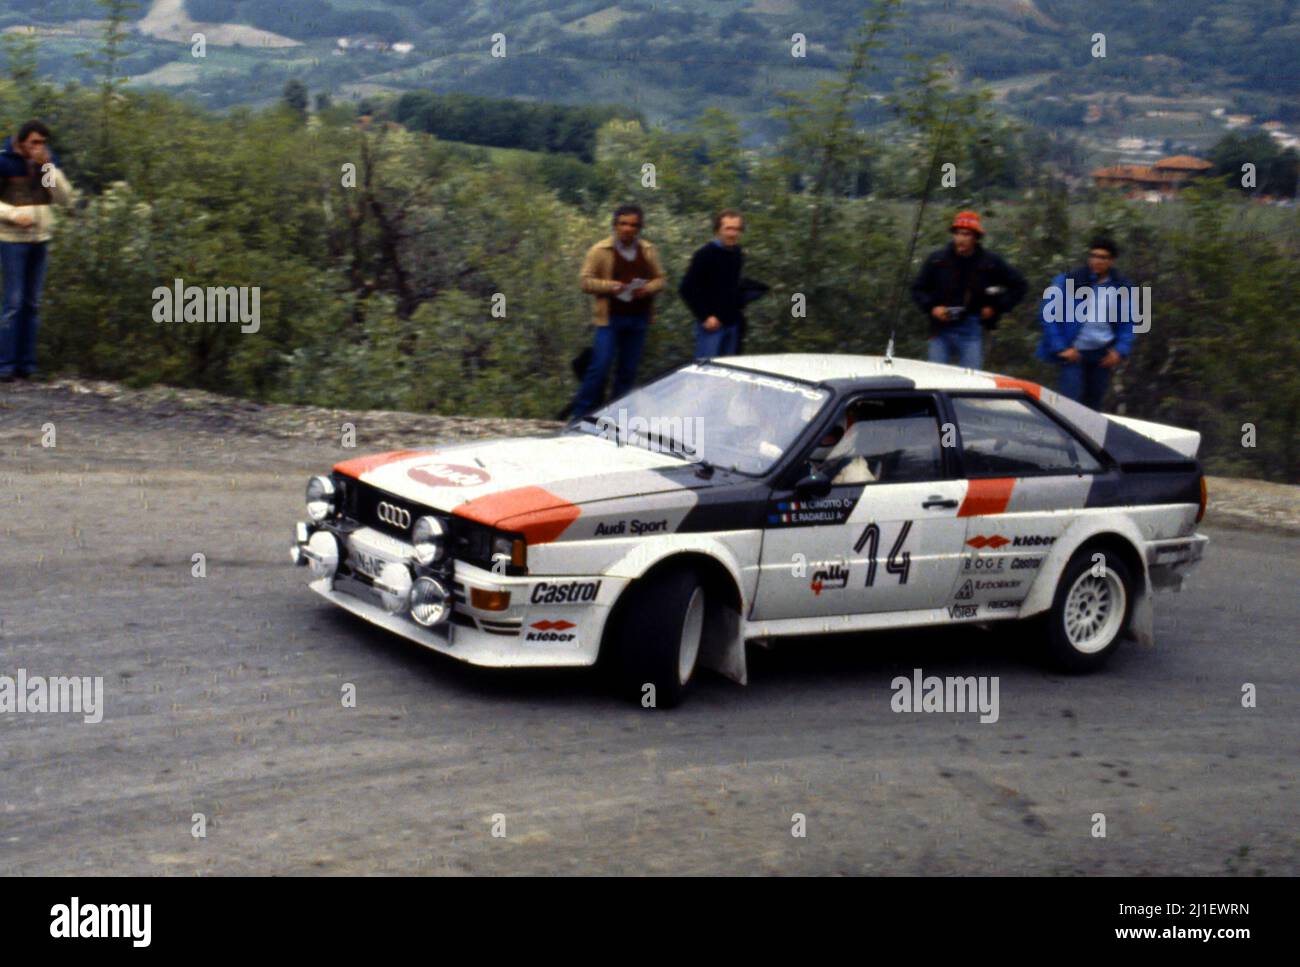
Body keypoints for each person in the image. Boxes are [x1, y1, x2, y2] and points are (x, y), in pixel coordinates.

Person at [571, 204, 666, 418]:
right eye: (623, 224)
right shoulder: (600, 250)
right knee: (599, 367)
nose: (627, 229)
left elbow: (661, 279)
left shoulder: (647, 250)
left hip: (638, 318)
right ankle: (579, 416)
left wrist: (647, 289)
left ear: (639, 227)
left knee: (628, 371)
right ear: (615, 225)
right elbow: (585, 282)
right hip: (610, 319)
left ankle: (614, 417)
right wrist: (611, 287)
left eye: (633, 225)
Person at [0, 120, 75, 382]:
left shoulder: (46, 163)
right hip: (11, 239)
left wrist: (49, 169)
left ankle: (27, 365)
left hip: (40, 238)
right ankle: (6, 366)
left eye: (43, 142)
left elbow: (64, 199)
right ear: (20, 142)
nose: (39, 147)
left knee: (32, 303)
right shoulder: (4, 161)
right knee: (13, 302)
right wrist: (12, 215)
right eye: (34, 142)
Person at [911, 210, 1026, 370]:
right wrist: (932, 307)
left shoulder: (990, 262)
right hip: (940, 328)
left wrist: (995, 307)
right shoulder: (937, 260)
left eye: (966, 234)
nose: (961, 239)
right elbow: (917, 289)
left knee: (971, 379)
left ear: (975, 237)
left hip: (971, 327)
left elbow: (1019, 285)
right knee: (935, 378)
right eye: (958, 233)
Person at [1036, 235, 1136, 411]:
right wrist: (1061, 348)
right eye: (1094, 255)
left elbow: (1128, 321)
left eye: (1102, 257)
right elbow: (1048, 315)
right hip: (1075, 353)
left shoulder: (1121, 286)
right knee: (1068, 406)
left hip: (1102, 354)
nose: (1096, 261)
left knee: (1093, 407)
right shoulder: (1069, 280)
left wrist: (1120, 350)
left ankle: (1087, 439)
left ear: (1111, 261)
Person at [680, 209, 746, 358]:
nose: (732, 233)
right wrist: (705, 316)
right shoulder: (705, 254)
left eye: (736, 229)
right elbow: (686, 288)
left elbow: (730, 285)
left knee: (728, 373)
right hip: (712, 326)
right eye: (728, 228)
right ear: (718, 230)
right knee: (707, 370)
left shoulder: (737, 253)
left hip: (732, 323)